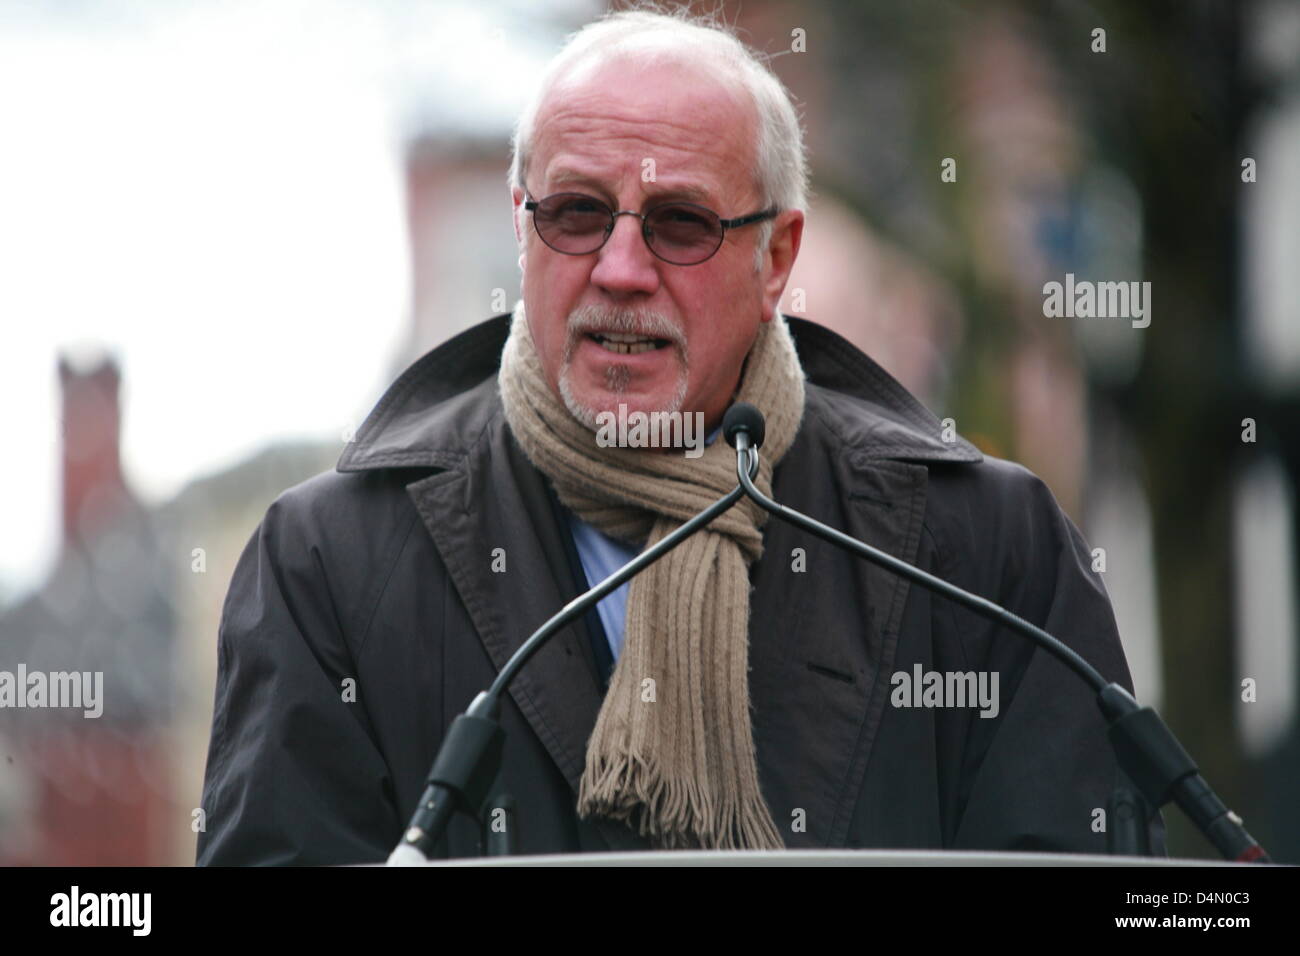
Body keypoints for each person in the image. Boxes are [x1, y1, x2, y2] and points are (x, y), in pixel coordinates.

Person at [196, 7, 1164, 864]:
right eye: (576, 213)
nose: (619, 268)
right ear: (522, 228)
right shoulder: (330, 558)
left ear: (774, 256)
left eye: (679, 223)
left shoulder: (983, 550)